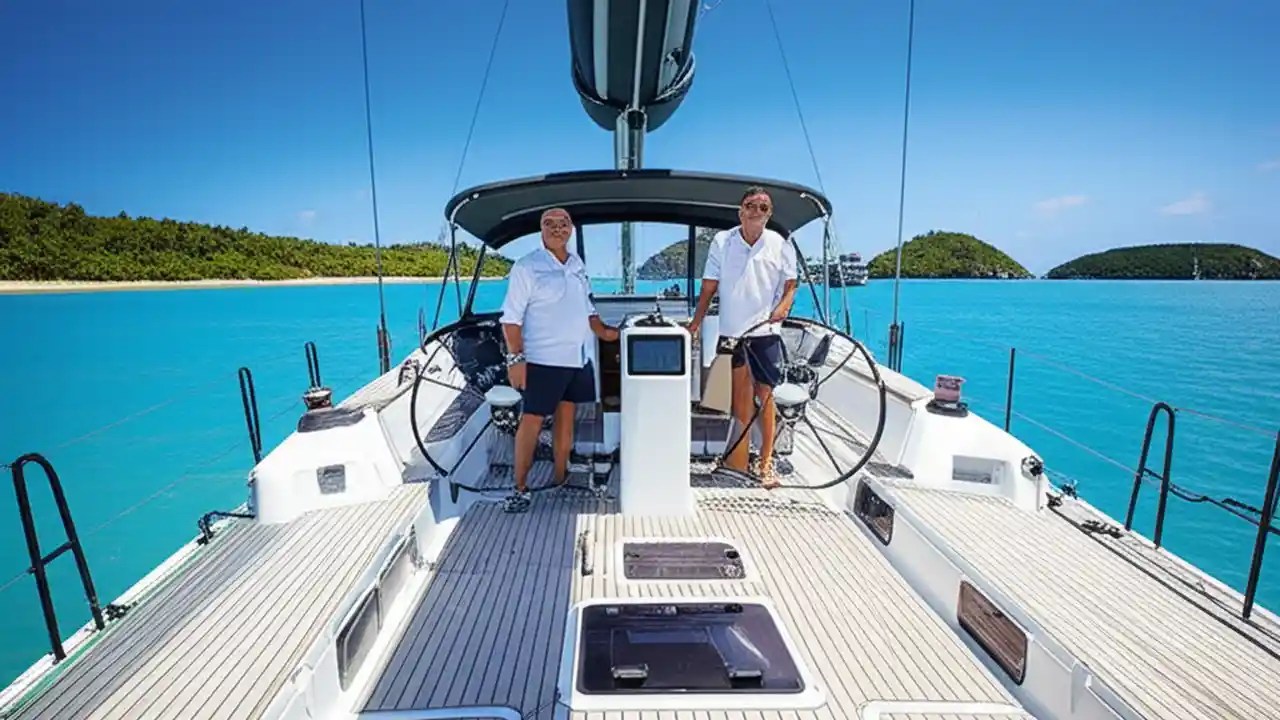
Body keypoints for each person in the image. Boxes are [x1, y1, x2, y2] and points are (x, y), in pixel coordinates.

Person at [499, 207, 619, 512]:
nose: (557, 228)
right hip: (543, 360)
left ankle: (560, 477)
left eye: (563, 223)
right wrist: (516, 359)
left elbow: (588, 312)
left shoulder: (577, 264)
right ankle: (520, 487)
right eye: (549, 224)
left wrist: (609, 333)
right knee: (532, 421)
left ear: (571, 229)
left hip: (577, 359)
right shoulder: (527, 267)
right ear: (541, 230)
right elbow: (511, 319)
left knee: (567, 418)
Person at [688, 186, 798, 487]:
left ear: (769, 214)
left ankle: (765, 462)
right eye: (751, 205)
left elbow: (791, 284)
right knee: (740, 398)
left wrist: (784, 307)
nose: (757, 211)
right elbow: (709, 286)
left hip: (765, 331)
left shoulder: (779, 244)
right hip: (732, 332)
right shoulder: (722, 241)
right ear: (741, 212)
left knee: (766, 395)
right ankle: (737, 459)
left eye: (764, 207)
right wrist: (696, 323)